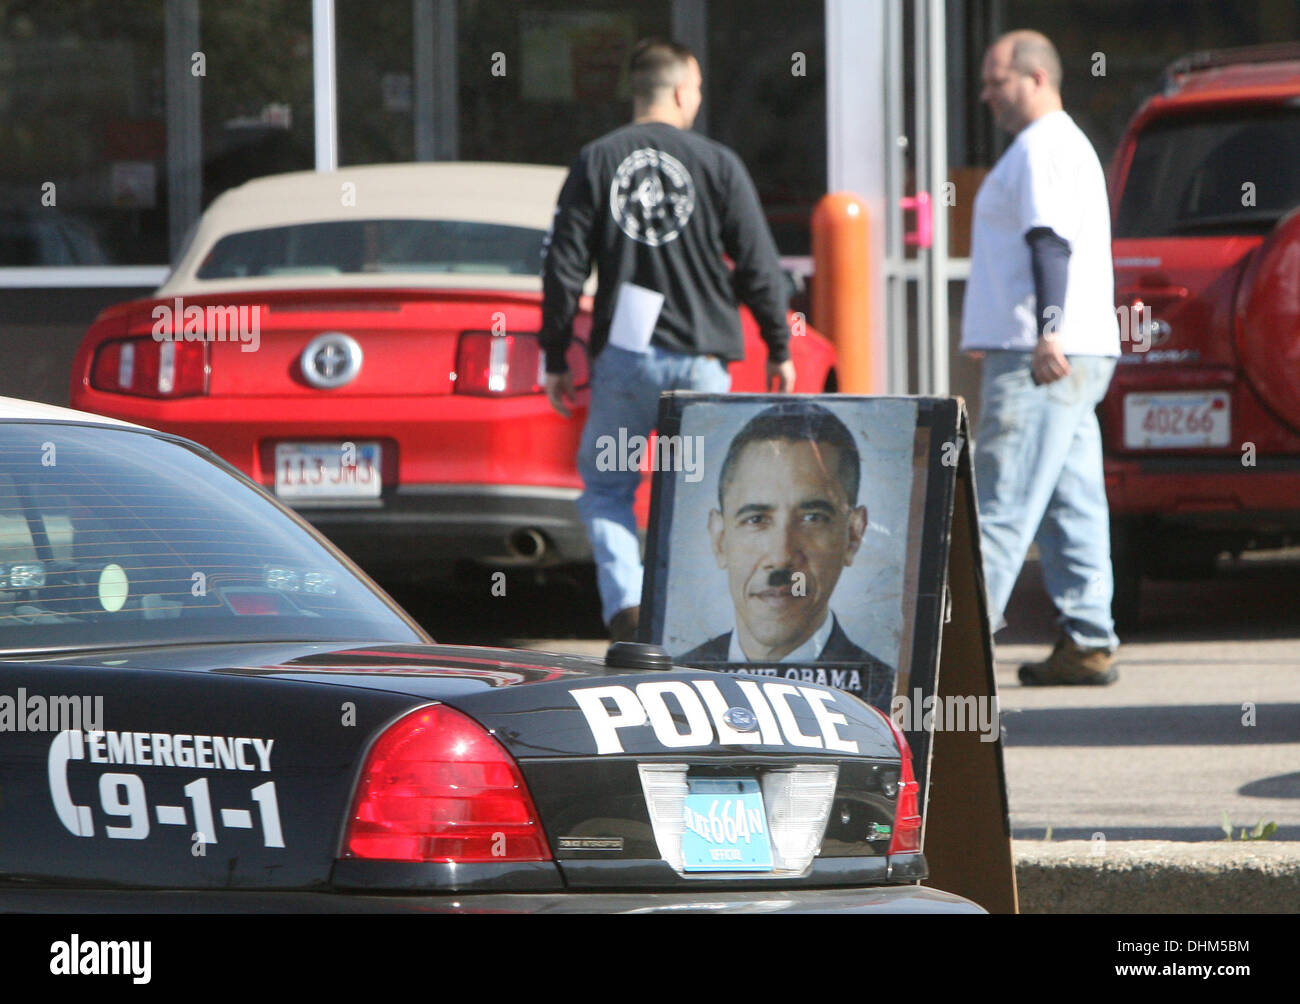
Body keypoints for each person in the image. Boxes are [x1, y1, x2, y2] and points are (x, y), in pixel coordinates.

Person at [541, 39, 795, 642]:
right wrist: (779, 344)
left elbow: (562, 265)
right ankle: (697, 623)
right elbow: (759, 262)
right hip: (703, 361)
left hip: (627, 360)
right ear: (682, 91)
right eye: (699, 91)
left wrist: (554, 353)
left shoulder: (596, 159)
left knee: (608, 487)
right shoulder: (718, 163)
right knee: (710, 494)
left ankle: (627, 609)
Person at [962, 30, 1121, 685]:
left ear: (1034, 77)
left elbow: (1048, 243)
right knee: (1069, 497)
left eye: (995, 81)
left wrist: (1047, 330)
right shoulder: (1061, 145)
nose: (986, 95)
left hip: (1042, 357)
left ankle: (956, 660)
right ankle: (1088, 638)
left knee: (1000, 508)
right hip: (1075, 349)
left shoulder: (1041, 148)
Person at [680, 402, 894, 697]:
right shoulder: (676, 684)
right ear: (719, 539)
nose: (781, 557)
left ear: (853, 535)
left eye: (812, 519)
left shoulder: (888, 696)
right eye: (756, 520)